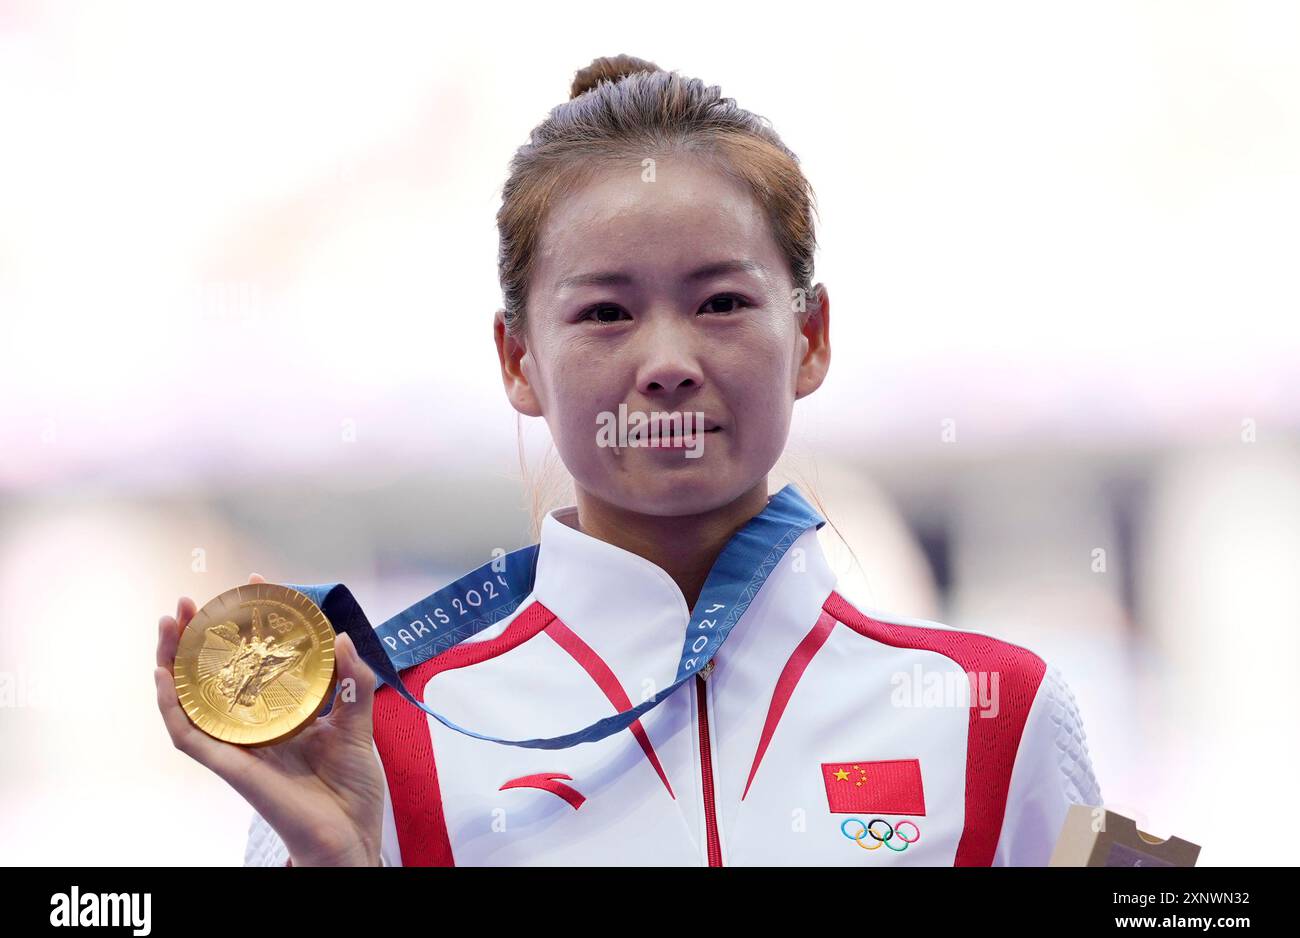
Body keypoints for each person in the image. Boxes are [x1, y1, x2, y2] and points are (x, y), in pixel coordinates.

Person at [155, 54, 1101, 867]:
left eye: (722, 302)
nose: (668, 366)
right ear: (517, 359)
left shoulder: (999, 712)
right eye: (605, 313)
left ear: (810, 335)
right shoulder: (382, 748)